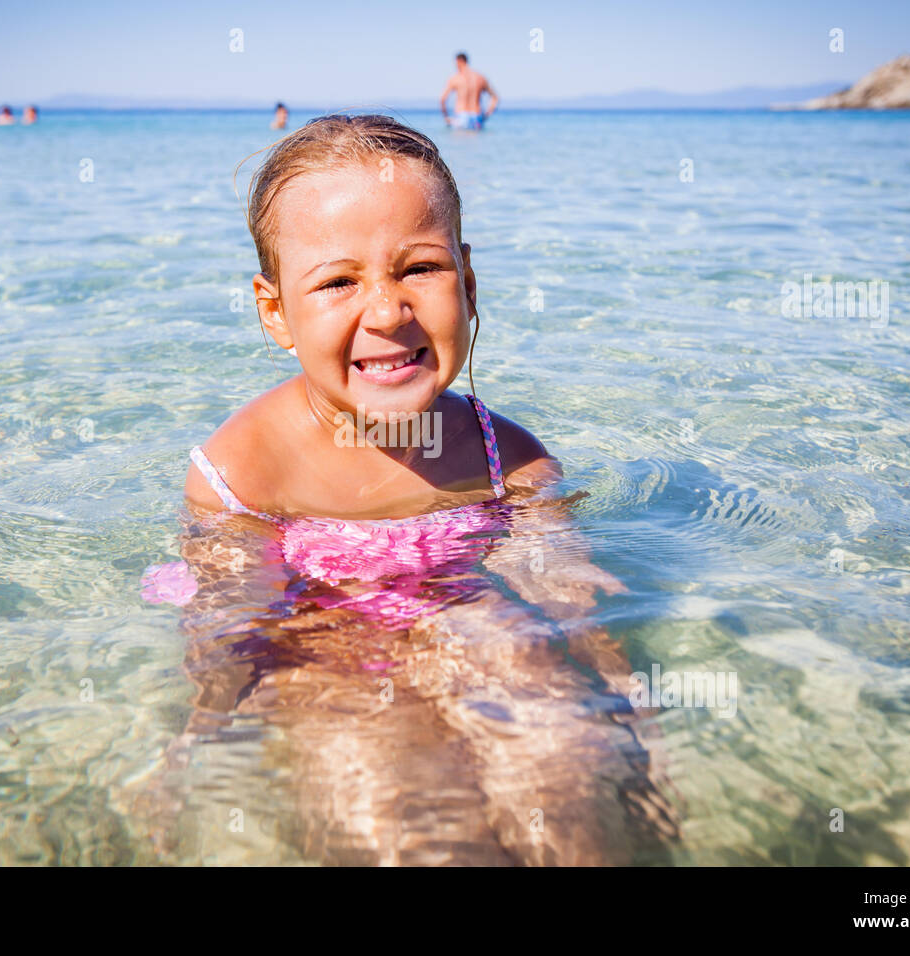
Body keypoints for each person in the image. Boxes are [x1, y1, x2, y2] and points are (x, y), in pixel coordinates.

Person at [142, 114, 681, 865]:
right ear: (275, 313)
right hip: (327, 658)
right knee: (409, 825)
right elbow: (225, 633)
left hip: (475, 628)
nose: (389, 310)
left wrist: (632, 712)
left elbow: (567, 603)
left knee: (570, 774)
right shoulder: (244, 473)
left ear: (467, 275)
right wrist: (188, 744)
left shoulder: (508, 460)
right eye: (338, 281)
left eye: (419, 269)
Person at [440, 52, 498, 131]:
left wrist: (446, 117)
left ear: (459, 61)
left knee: (460, 142)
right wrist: (486, 115)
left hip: (461, 116)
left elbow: (442, 99)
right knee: (476, 142)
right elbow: (495, 98)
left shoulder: (455, 78)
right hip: (477, 117)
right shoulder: (480, 78)